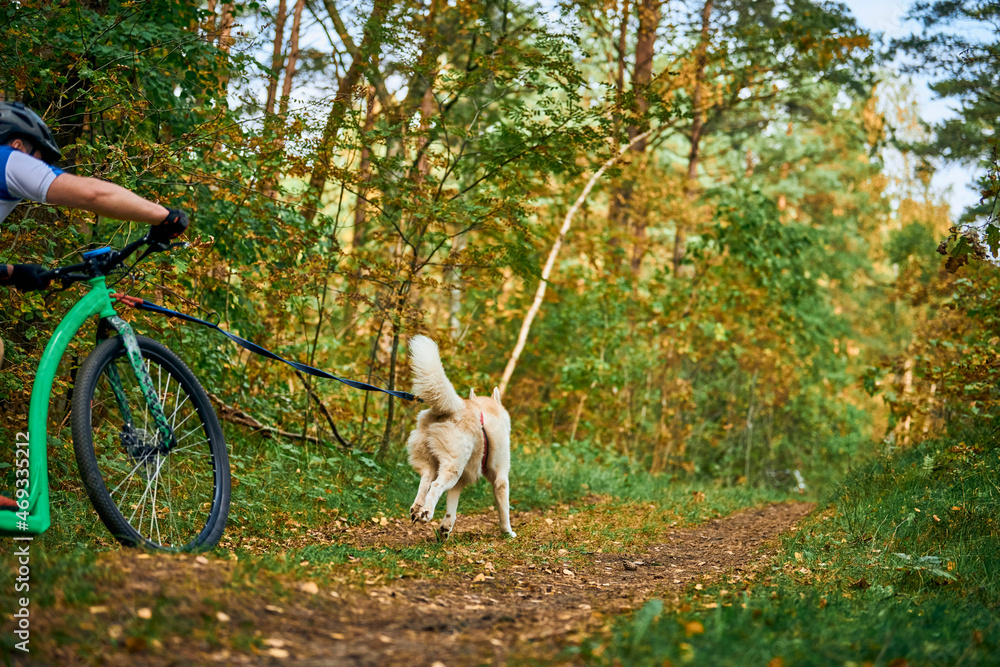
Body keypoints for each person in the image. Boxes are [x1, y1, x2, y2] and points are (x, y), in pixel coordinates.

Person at [0, 101, 190, 510]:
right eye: (36, 155)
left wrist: (13, 271)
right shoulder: (7, 159)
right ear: (17, 143)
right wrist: (163, 216)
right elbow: (93, 192)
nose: (34, 165)